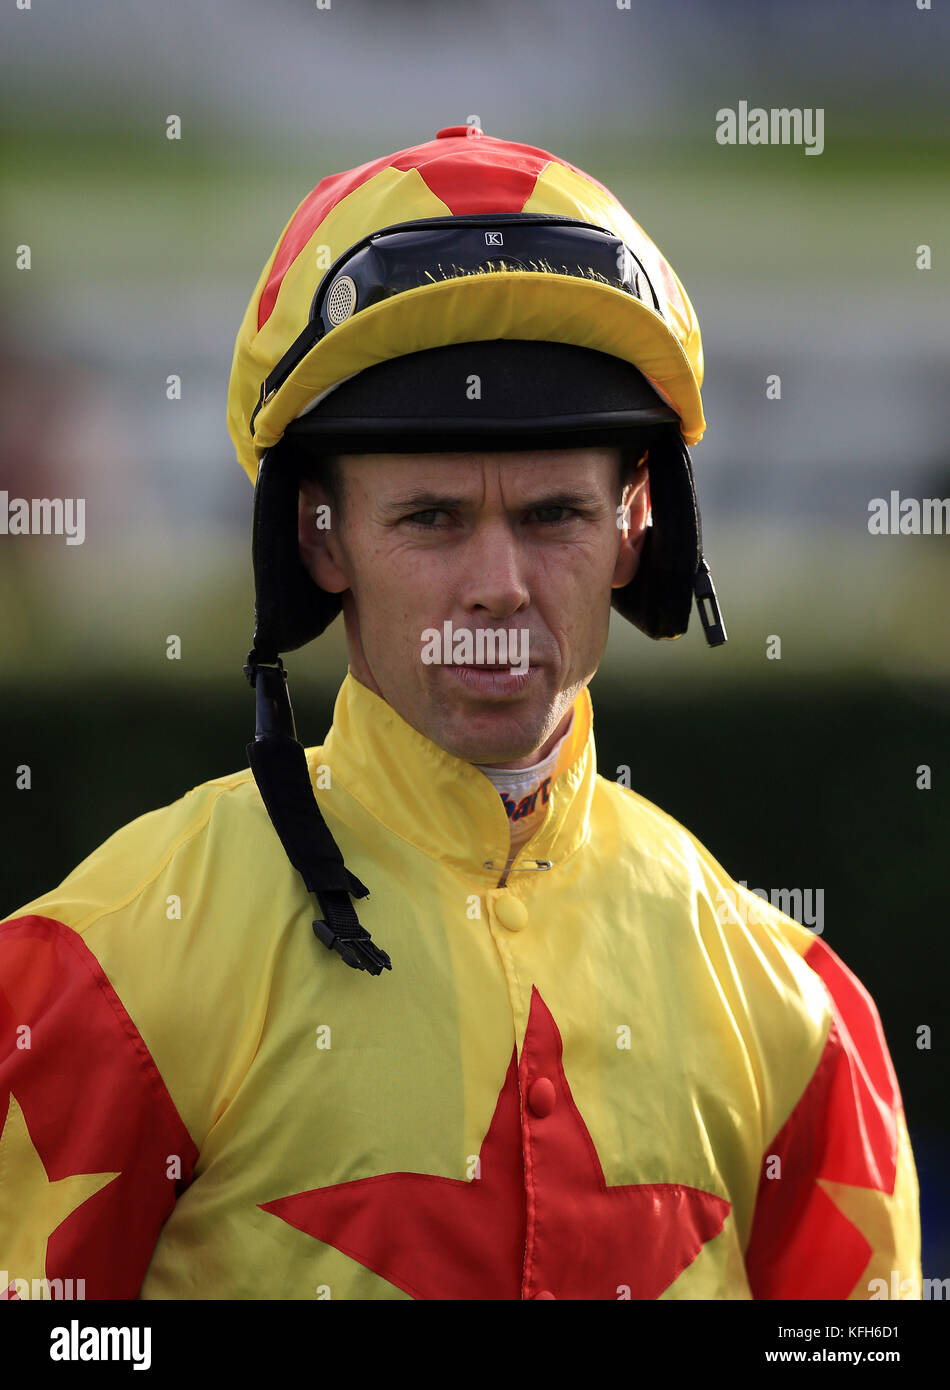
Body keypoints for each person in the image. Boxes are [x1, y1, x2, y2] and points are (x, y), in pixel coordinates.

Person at [0, 125, 920, 1301]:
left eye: (551, 516)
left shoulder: (794, 1012)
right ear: (316, 535)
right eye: (430, 518)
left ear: (636, 526)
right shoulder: (99, 975)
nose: (498, 582)